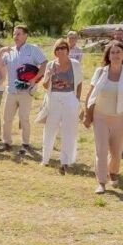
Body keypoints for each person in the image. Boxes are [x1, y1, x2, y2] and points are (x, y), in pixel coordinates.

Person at [83, 41, 123, 193]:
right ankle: (101, 182)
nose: (115, 55)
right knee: (101, 150)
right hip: (100, 116)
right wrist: (87, 114)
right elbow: (90, 94)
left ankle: (113, 172)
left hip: (119, 117)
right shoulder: (100, 72)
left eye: (118, 52)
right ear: (108, 55)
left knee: (116, 152)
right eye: (112, 52)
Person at [0, 24, 47, 153]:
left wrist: (35, 78)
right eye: (14, 34)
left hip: (26, 91)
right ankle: (6, 142)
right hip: (11, 91)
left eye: (19, 34)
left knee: (24, 119)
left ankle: (25, 144)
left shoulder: (33, 49)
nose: (16, 36)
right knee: (7, 118)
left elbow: (44, 63)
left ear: (26, 35)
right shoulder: (9, 51)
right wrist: (1, 52)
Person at [41, 39, 83, 173]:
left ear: (67, 50)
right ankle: (45, 159)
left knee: (69, 130)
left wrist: (77, 100)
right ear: (55, 51)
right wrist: (48, 75)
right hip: (54, 98)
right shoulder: (51, 65)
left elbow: (80, 82)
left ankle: (66, 161)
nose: (61, 50)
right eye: (58, 48)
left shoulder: (75, 64)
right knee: (50, 129)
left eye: (63, 48)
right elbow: (45, 85)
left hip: (70, 97)